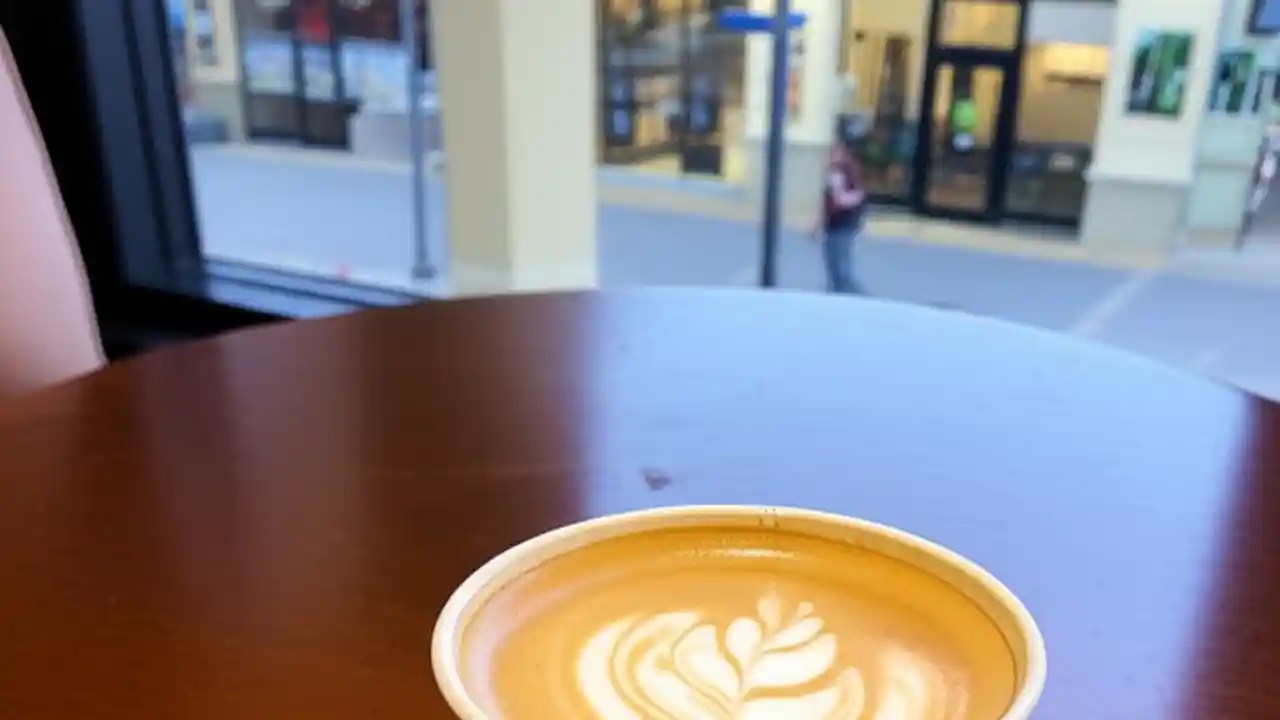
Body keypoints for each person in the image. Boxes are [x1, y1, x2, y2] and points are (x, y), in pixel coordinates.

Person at [814, 136, 867, 294]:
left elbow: (844, 199)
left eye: (832, 154)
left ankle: (857, 299)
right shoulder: (842, 173)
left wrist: (846, 198)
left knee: (841, 270)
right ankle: (839, 297)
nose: (828, 158)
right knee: (837, 268)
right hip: (839, 226)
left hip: (841, 226)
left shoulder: (840, 174)